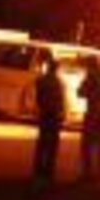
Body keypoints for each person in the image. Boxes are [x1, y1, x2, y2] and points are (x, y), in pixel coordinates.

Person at [30, 56, 65, 190]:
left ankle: (38, 169)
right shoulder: (57, 82)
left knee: (42, 142)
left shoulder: (42, 80)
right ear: (56, 69)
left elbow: (38, 95)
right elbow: (60, 100)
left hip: (44, 113)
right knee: (52, 144)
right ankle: (49, 170)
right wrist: (61, 114)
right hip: (53, 114)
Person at [78, 57, 100, 182]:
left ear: (90, 65)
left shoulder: (91, 76)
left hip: (92, 113)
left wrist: (85, 89)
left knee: (86, 144)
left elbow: (80, 92)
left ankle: (87, 173)